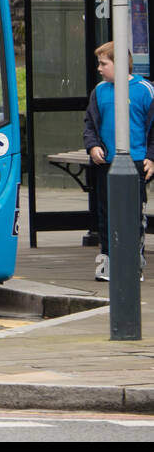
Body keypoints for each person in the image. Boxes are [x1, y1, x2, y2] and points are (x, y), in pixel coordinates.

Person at [82, 41, 154, 280]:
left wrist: (151, 158)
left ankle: (133, 262)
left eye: (104, 64)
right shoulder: (99, 91)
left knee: (133, 214)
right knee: (106, 213)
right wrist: (92, 146)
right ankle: (108, 260)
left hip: (135, 162)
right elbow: (90, 124)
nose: (100, 69)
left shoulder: (145, 90)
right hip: (107, 162)